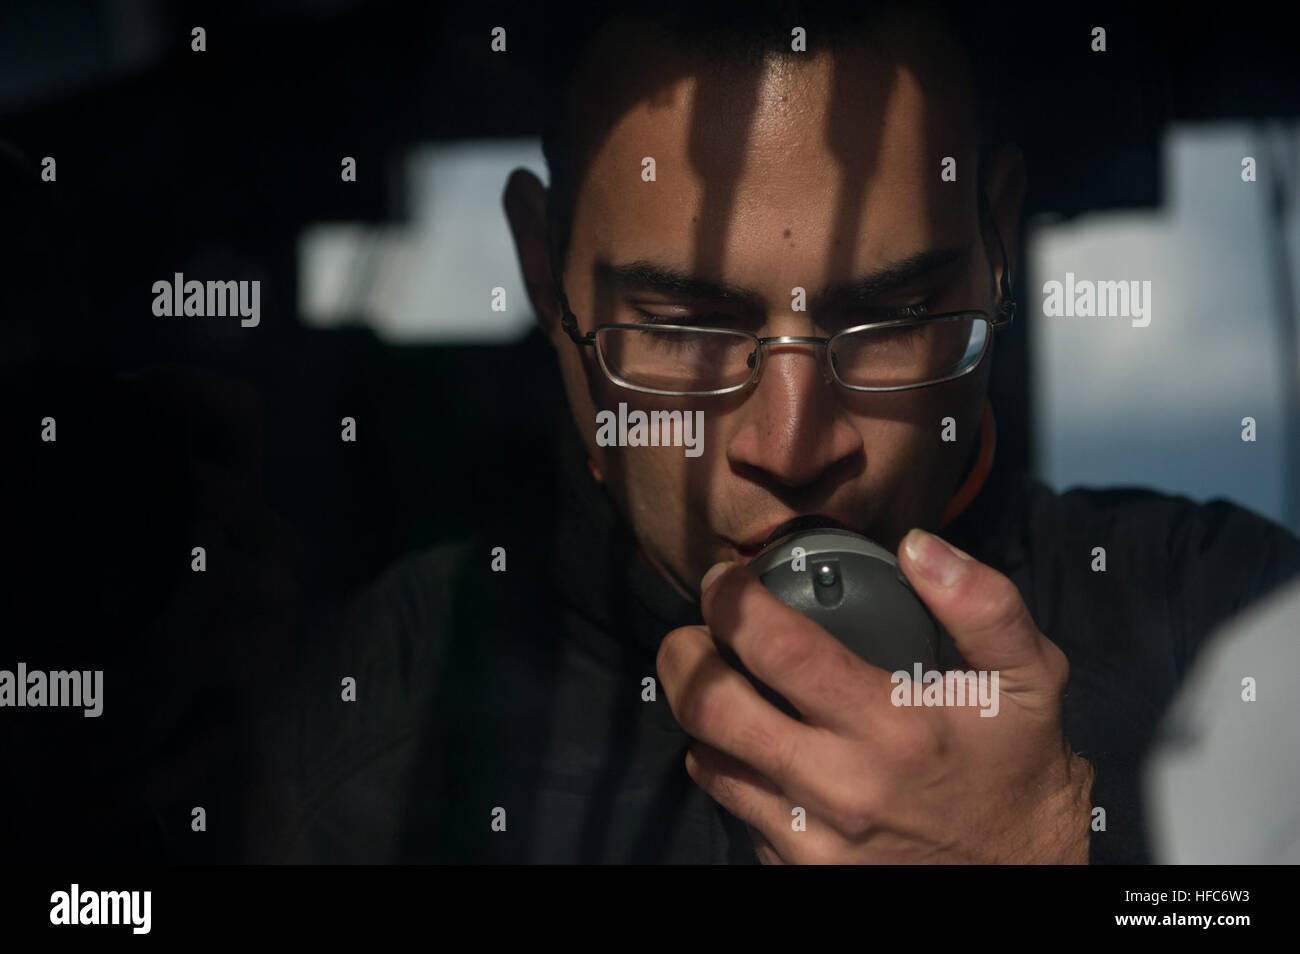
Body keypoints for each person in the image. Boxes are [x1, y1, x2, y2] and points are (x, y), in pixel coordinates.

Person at [248, 0, 1300, 863]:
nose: (794, 448)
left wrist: (1052, 850)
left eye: (890, 320)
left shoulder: (1225, 624)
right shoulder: (379, 729)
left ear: (995, 248)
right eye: (681, 331)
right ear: (541, 268)